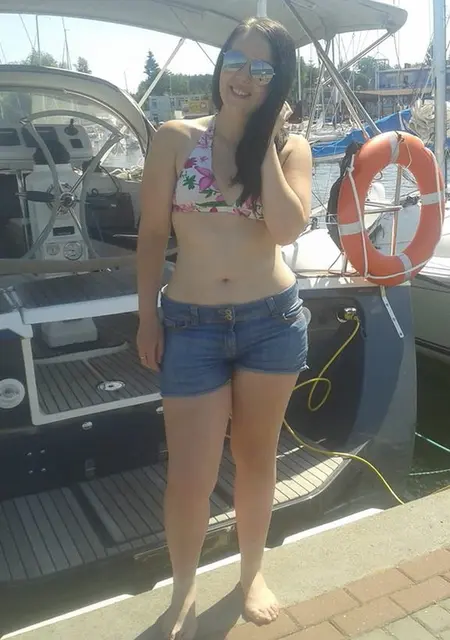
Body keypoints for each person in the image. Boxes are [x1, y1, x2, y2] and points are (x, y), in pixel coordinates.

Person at [137, 16, 312, 640]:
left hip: (271, 322)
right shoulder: (174, 139)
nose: (244, 77)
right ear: (220, 66)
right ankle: (182, 590)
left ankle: (251, 574)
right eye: (236, 62)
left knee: (257, 459)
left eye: (262, 69)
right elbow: (153, 234)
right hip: (191, 325)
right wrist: (147, 317)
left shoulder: (290, 149)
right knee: (191, 476)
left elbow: (287, 229)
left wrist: (259, 140)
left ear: (278, 81)